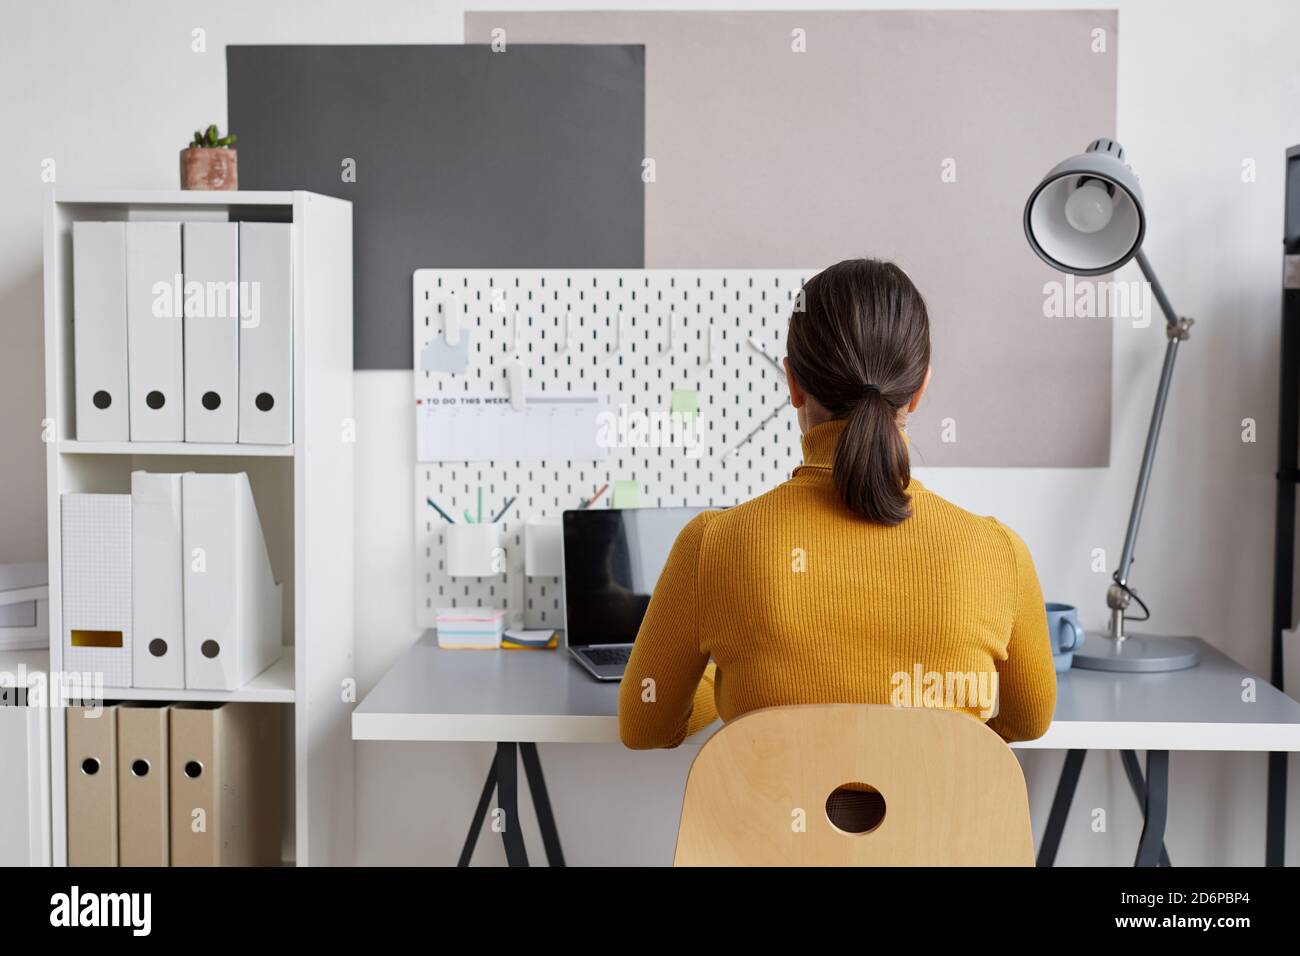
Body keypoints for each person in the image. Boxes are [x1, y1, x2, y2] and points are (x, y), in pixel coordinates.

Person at [619, 258, 1056, 749]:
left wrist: (729, 690)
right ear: (917, 392)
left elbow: (646, 725)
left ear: (793, 383)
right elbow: (1029, 721)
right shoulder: (997, 552)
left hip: (771, 828)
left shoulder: (713, 546)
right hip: (939, 827)